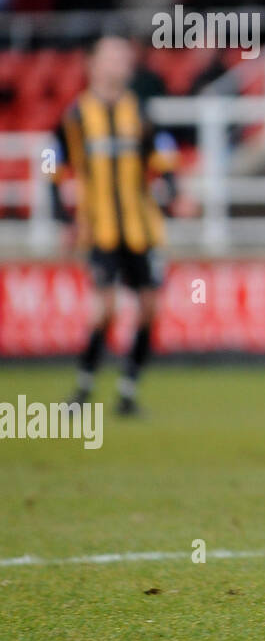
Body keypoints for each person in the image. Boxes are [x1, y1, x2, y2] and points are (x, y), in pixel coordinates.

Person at [52, 35, 177, 416]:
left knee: (150, 309)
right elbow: (50, 163)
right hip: (99, 230)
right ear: (92, 64)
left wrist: (173, 191)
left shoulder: (139, 114)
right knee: (104, 309)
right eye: (112, 57)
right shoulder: (74, 117)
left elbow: (164, 158)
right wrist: (63, 215)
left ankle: (127, 390)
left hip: (142, 229)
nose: (120, 64)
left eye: (124, 58)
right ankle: (84, 387)